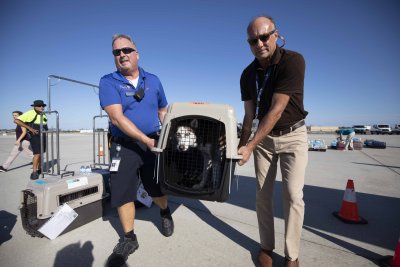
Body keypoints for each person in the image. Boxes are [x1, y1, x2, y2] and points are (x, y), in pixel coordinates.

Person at [237, 16, 308, 267]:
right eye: (253, 40)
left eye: (264, 37)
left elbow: (277, 110)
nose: (259, 43)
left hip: (292, 135)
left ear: (276, 35)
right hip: (264, 141)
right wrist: (241, 146)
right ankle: (266, 246)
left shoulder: (293, 61)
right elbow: (248, 115)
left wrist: (251, 145)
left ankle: (292, 255)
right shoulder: (247, 74)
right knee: (262, 196)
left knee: (293, 196)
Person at [99, 34, 173, 265]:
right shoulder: (108, 81)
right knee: (122, 192)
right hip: (123, 145)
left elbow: (163, 110)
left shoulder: (153, 80)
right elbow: (117, 117)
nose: (122, 55)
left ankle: (164, 211)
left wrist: (167, 133)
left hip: (152, 142)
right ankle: (129, 238)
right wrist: (144, 139)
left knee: (155, 188)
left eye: (126, 50)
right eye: (116, 52)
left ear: (137, 53)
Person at [14, 100, 48, 180]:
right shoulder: (30, 113)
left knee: (42, 153)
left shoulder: (43, 114)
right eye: (39, 106)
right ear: (34, 106)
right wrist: (30, 128)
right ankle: (34, 172)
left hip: (42, 135)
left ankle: (40, 169)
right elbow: (16, 120)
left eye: (43, 106)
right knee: (37, 154)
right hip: (35, 136)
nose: (42, 107)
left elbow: (45, 124)